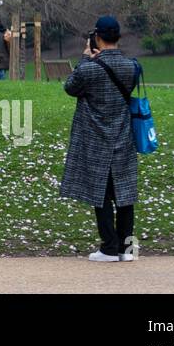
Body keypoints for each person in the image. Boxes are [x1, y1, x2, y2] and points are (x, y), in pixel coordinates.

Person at [60, 15, 140, 262]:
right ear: (118, 37)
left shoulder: (89, 69)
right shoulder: (132, 67)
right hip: (123, 135)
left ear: (97, 38)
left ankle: (108, 246)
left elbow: (70, 87)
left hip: (96, 137)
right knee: (124, 192)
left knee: (101, 192)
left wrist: (85, 57)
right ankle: (126, 248)